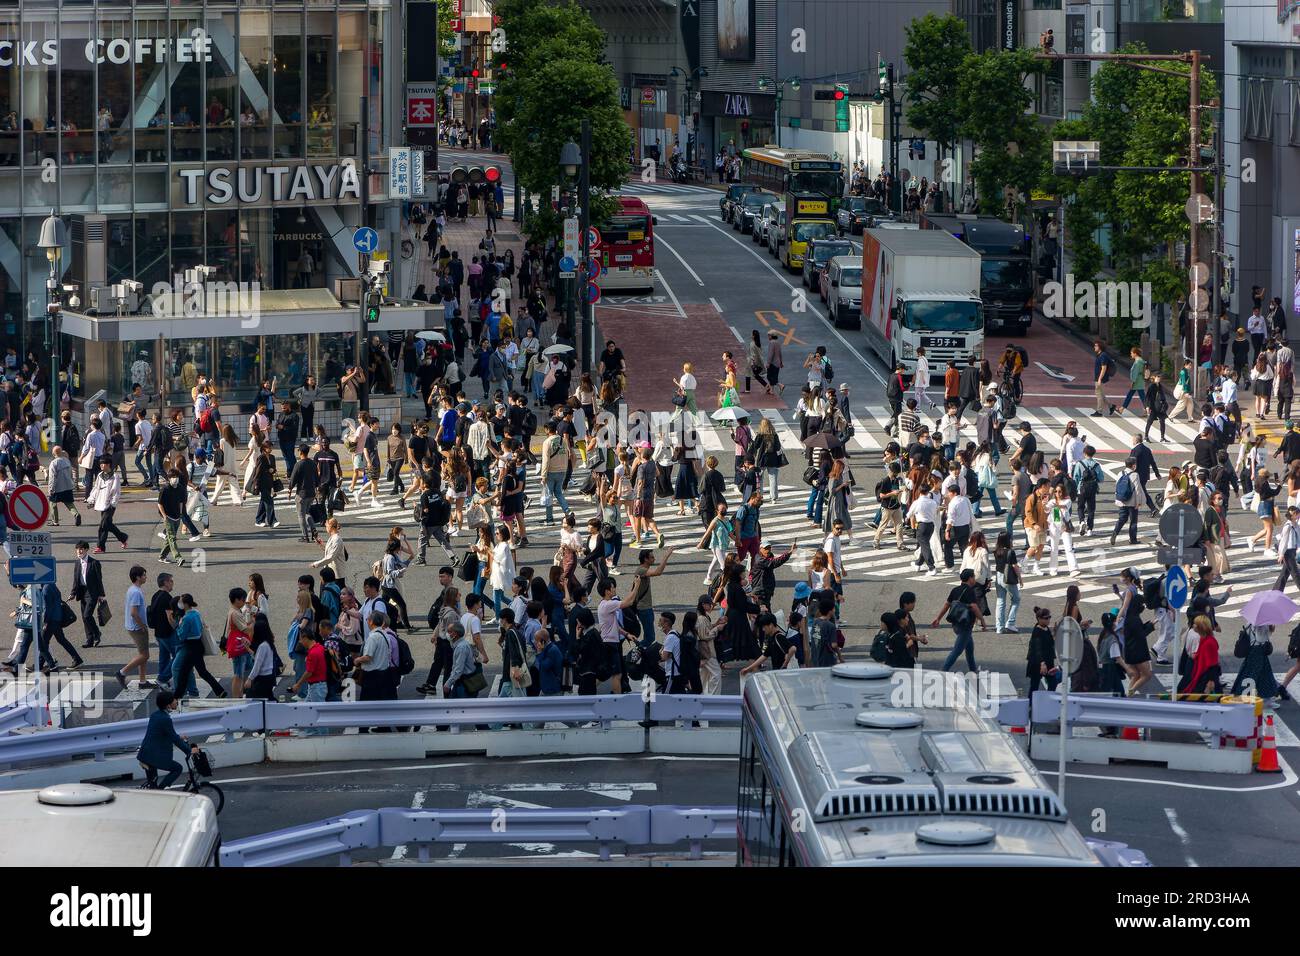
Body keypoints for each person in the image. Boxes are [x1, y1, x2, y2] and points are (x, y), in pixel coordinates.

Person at [136, 691, 200, 789]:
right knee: (177, 768)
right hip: (152, 756)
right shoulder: (165, 719)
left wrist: (178, 737)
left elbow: (164, 734)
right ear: (168, 705)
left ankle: (157, 792)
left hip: (146, 754)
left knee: (152, 786)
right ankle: (161, 791)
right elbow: (174, 739)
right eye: (174, 700)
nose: (176, 701)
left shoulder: (156, 715)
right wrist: (189, 750)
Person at [931, 568, 984, 672]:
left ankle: (973, 670)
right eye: (973, 577)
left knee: (969, 648)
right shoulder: (969, 591)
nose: (974, 579)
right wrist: (982, 620)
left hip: (956, 624)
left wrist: (938, 618)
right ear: (970, 578)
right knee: (957, 651)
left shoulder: (955, 590)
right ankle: (943, 671)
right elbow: (974, 606)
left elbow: (947, 605)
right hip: (966, 624)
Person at [70, 541, 106, 649]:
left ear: (86, 550)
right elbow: (76, 580)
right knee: (84, 617)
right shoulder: (77, 563)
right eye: (77, 549)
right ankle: (89, 639)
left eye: (81, 549)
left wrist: (101, 594)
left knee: (87, 615)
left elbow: (99, 579)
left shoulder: (94, 563)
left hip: (92, 593)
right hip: (82, 592)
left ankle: (97, 633)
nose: (79, 551)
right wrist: (73, 593)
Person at [1177, 614, 1222, 695]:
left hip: (1206, 677)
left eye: (1195, 624)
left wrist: (1210, 682)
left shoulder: (1209, 642)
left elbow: (1213, 664)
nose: (1193, 625)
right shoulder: (1203, 638)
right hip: (1200, 673)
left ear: (1200, 627)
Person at [1026, 607, 1060, 694]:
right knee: (1035, 685)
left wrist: (1054, 633)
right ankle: (1031, 703)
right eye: (1046, 618)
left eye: (1049, 617)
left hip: (1047, 660)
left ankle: (1047, 700)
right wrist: (1042, 663)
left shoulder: (1045, 628)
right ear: (1039, 619)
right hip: (1038, 663)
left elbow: (1049, 640)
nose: (1048, 620)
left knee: (1053, 682)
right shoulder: (1037, 631)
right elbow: (1037, 648)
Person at [992, 532, 1021, 634]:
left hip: (998, 577)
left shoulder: (996, 551)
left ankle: (999, 627)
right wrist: (1020, 579)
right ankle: (1010, 623)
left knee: (1000, 601)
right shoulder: (1010, 552)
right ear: (1007, 540)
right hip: (1007, 578)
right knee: (1016, 599)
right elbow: (1015, 566)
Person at [1092, 340, 1117, 417]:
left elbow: (1104, 368)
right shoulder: (1100, 355)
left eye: (1096, 346)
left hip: (1100, 378)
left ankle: (1099, 411)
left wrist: (1099, 379)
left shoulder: (1103, 355)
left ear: (1100, 347)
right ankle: (1111, 406)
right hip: (1098, 377)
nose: (1094, 347)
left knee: (1099, 395)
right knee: (1101, 394)